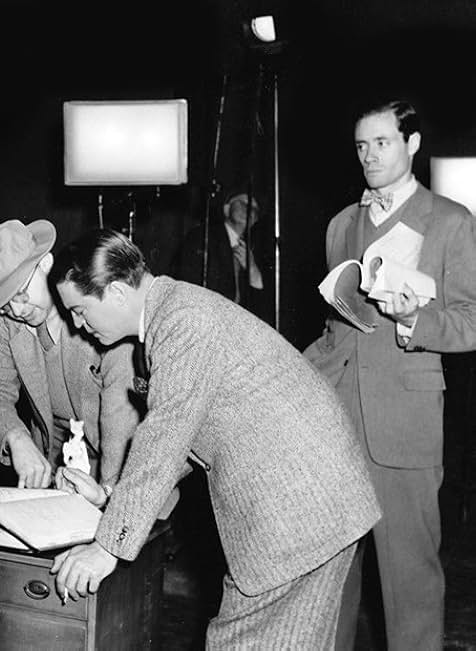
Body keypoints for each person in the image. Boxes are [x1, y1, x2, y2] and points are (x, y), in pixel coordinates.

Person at [48, 229, 381, 647]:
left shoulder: (182, 323)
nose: (77, 326)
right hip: (319, 502)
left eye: (79, 310)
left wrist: (106, 548)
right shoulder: (175, 311)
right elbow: (191, 434)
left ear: (115, 293)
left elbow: (165, 437)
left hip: (297, 510)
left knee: (237, 641)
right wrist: (113, 495)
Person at [303, 98, 476, 650]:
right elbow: (338, 330)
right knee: (329, 581)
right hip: (337, 422)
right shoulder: (340, 225)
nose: (370, 156)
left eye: (382, 142)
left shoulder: (450, 221)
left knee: (410, 584)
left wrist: (413, 319)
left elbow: (470, 323)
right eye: (361, 145)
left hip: (405, 423)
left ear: (413, 144)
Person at [0, 219, 142, 490]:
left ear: (46, 264)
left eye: (22, 294)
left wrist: (108, 494)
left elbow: (121, 418)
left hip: (123, 475)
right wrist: (16, 437)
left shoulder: (98, 314)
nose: (17, 310)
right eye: (4, 304)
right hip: (58, 479)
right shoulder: (5, 323)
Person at [174, 190, 272, 324]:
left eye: (255, 208)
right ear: (226, 209)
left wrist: (253, 270)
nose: (249, 209)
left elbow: (262, 309)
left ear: (255, 220)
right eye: (242, 203)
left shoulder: (257, 251)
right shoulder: (202, 237)